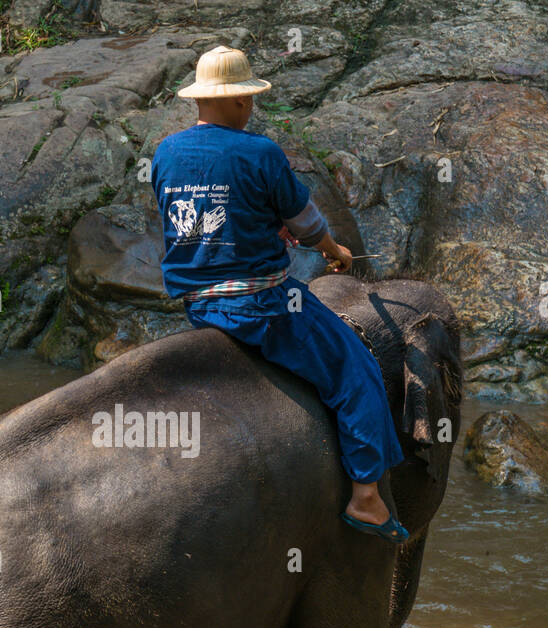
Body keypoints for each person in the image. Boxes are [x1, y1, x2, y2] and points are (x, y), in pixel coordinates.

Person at [151, 45, 409, 543]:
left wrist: (267, 228)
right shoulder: (260, 153)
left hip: (199, 307)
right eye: (248, 98)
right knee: (355, 371)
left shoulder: (166, 152)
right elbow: (308, 222)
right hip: (261, 306)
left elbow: (196, 227)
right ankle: (367, 498)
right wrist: (335, 250)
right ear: (241, 102)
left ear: (200, 100)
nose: (250, 107)